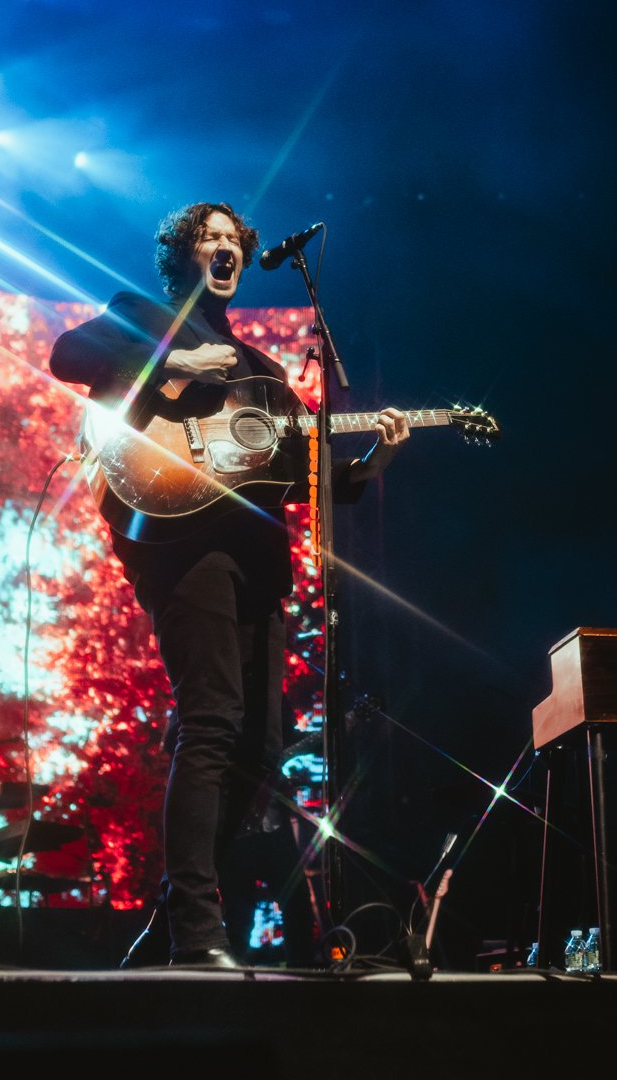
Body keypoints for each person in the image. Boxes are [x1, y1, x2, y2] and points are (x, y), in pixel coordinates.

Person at [49, 201, 410, 969]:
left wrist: (374, 458)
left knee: (259, 748)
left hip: (256, 560)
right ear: (182, 256)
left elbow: (308, 476)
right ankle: (197, 932)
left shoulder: (264, 372)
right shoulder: (141, 315)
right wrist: (174, 367)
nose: (223, 247)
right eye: (207, 238)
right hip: (182, 547)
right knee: (211, 723)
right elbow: (67, 356)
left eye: (231, 240)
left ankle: (170, 921)